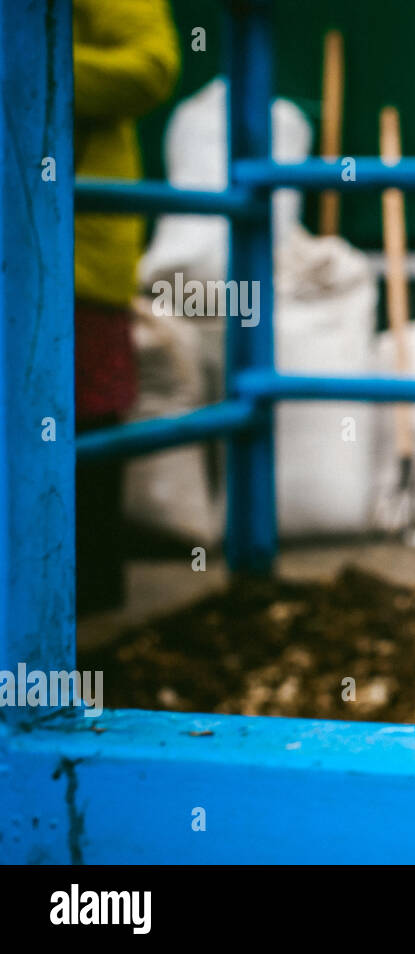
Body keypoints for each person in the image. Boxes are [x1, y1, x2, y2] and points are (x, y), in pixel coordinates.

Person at [73, 0, 180, 613]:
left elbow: (152, 64)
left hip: (79, 239)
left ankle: (86, 606)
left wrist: (32, 68)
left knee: (84, 413)